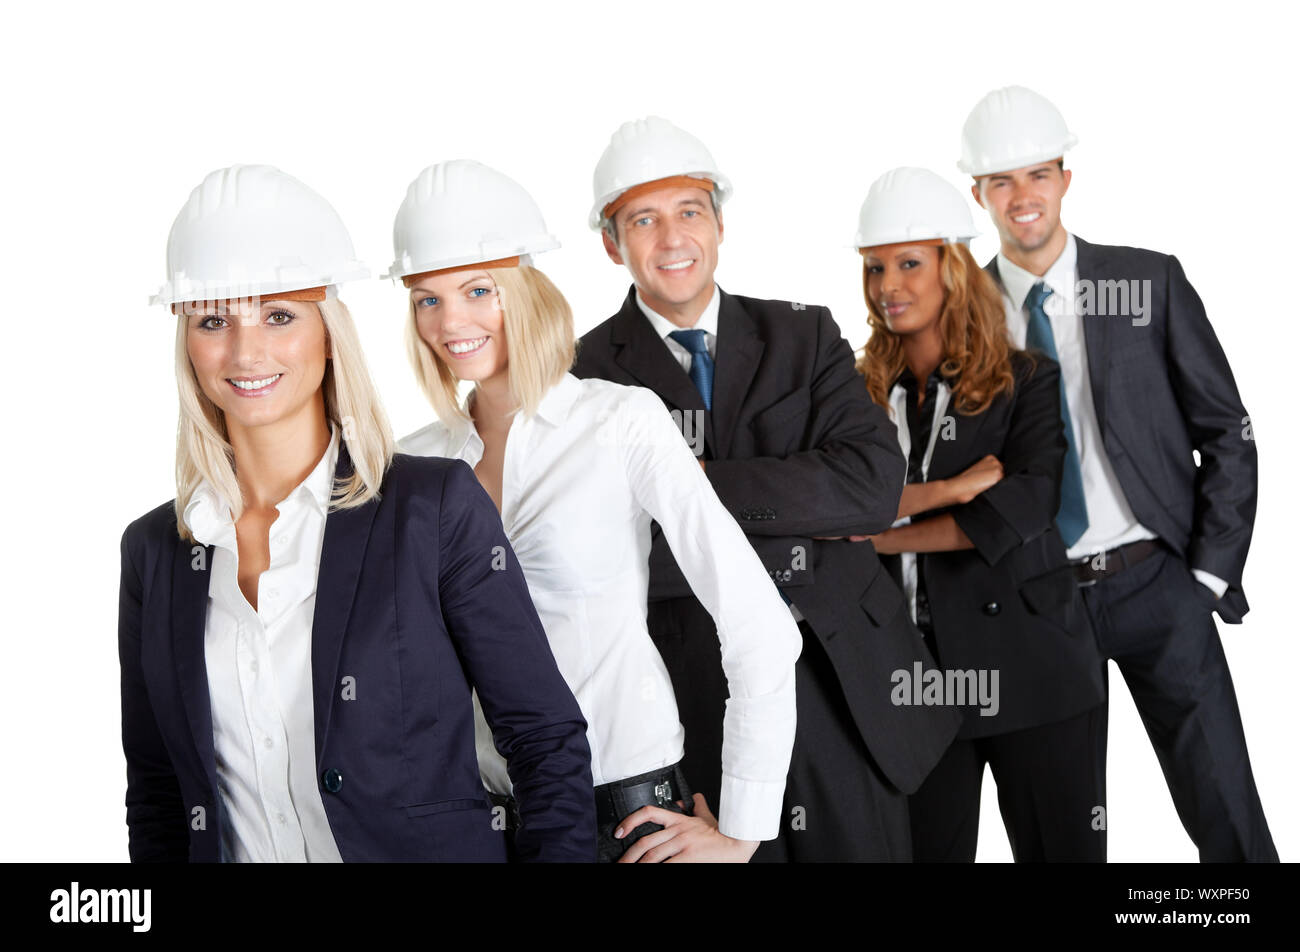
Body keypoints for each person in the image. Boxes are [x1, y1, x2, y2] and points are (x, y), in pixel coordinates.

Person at [120, 164, 595, 863]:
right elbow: (157, 788)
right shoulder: (155, 550)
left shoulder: (431, 509)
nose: (246, 351)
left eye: (279, 315)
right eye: (213, 319)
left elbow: (544, 738)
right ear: (187, 342)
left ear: (328, 333)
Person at [389, 159, 800, 863]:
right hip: (476, 824)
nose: (451, 321)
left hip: (626, 821)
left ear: (525, 288)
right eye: (427, 299)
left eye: (478, 290)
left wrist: (742, 829)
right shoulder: (413, 464)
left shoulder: (620, 421)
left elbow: (758, 624)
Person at [572, 117, 961, 861]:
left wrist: (688, 487)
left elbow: (874, 488)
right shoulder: (582, 374)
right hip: (703, 690)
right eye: (642, 221)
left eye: (689, 211)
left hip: (843, 679)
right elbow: (612, 549)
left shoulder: (803, 334)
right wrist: (803, 503)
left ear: (719, 224)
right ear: (612, 244)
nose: (672, 238)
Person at [960, 86, 1277, 862]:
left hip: (1154, 585)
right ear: (977, 194)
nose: (1021, 196)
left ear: (1065, 178)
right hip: (1041, 605)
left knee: (1225, 809)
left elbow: (1227, 432)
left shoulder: (1148, 282)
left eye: (1037, 174)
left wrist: (1203, 578)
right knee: (1062, 834)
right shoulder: (959, 312)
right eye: (1001, 181)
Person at [854, 167, 1106, 861]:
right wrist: (947, 490)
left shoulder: (1025, 381)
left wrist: (876, 537)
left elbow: (1018, 511)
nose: (889, 285)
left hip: (1033, 668)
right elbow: (830, 510)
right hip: (910, 680)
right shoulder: (853, 391)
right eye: (876, 267)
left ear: (952, 269)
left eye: (910, 263)